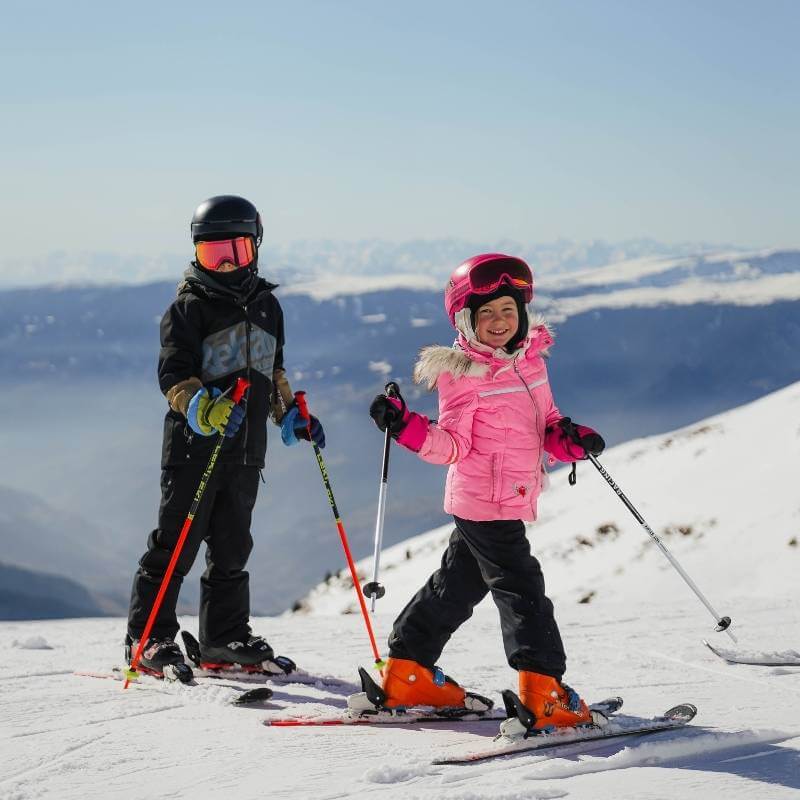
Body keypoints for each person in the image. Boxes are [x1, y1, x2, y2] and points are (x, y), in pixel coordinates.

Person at [369, 253, 605, 732]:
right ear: (466, 320)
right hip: (485, 499)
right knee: (522, 588)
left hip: (506, 495)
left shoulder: (531, 362)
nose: (498, 322)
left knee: (458, 585)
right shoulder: (463, 375)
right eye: (486, 313)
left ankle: (407, 672)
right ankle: (544, 691)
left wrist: (570, 439)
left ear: (522, 313)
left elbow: (546, 423)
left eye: (507, 310)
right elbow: (451, 445)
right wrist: (409, 429)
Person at [125, 195, 325, 677]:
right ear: (197, 253)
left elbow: (272, 370)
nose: (228, 263)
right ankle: (148, 638)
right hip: (195, 449)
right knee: (176, 544)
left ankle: (223, 637)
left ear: (255, 246)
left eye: (236, 250)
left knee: (233, 546)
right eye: (215, 254)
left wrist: (288, 416)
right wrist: (200, 407)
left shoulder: (267, 307)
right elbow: (173, 376)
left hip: (245, 451)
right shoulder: (187, 309)